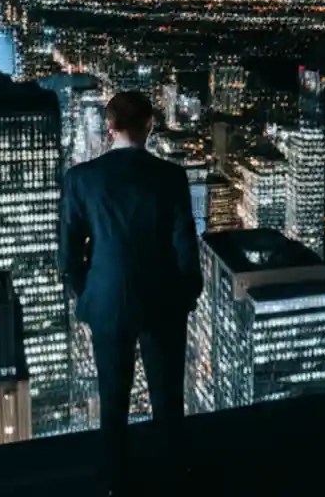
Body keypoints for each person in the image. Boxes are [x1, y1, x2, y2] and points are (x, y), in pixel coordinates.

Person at [58, 91, 202, 494]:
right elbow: (185, 246)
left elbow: (69, 253)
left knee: (113, 402)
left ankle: (115, 484)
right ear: (149, 126)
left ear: (110, 127)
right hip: (163, 301)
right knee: (168, 400)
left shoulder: (82, 179)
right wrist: (187, 296)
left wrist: (86, 296)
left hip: (107, 301)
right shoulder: (171, 177)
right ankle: (176, 478)